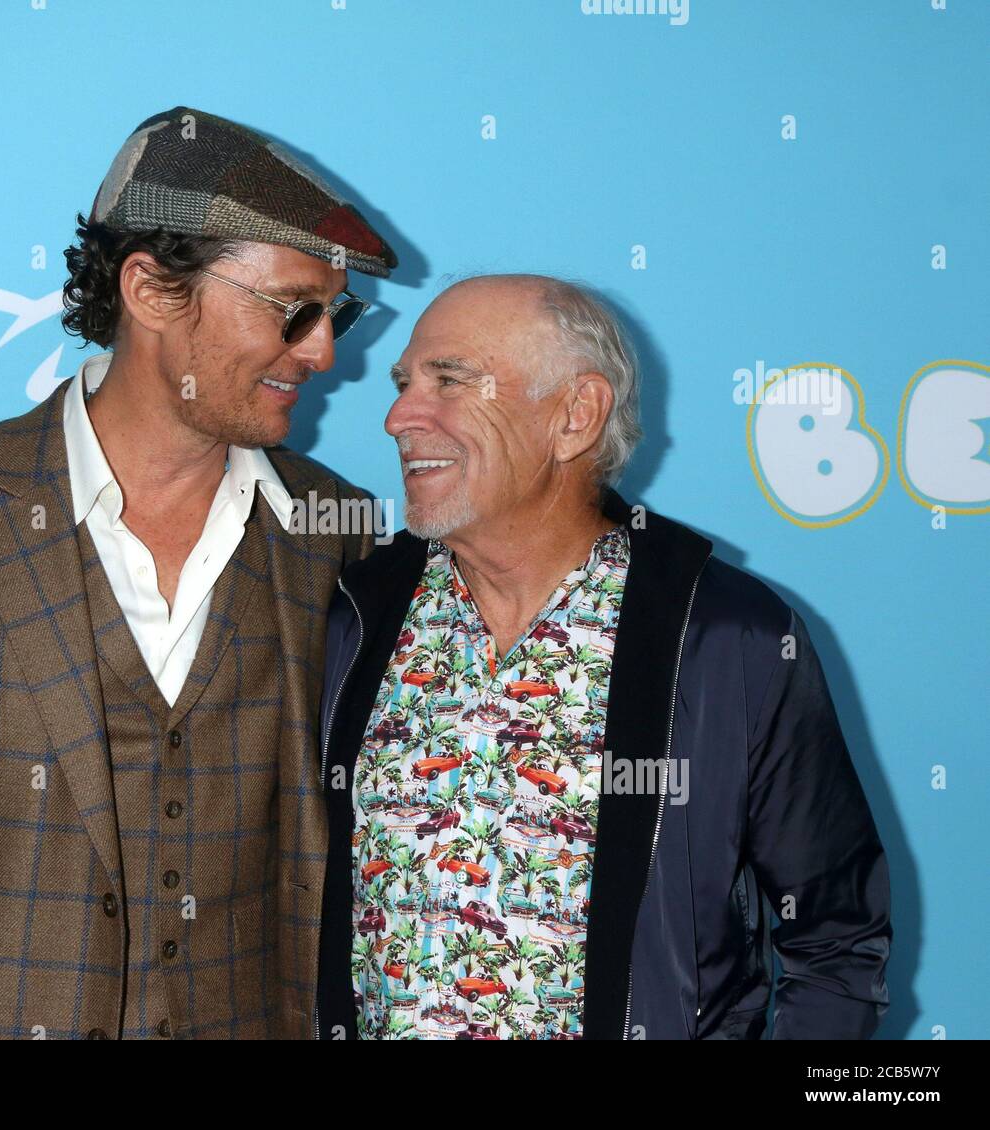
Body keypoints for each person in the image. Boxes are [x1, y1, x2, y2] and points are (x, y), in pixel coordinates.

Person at [0, 106, 396, 1040]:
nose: (324, 351)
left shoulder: (333, 532)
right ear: (151, 290)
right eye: (295, 310)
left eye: (337, 313)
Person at [317, 274, 891, 1039]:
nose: (398, 416)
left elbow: (837, 941)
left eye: (449, 381)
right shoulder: (354, 615)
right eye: (403, 384)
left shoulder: (730, 638)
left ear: (575, 416)